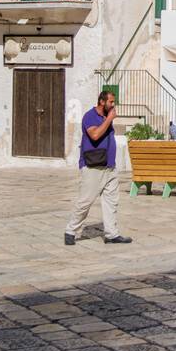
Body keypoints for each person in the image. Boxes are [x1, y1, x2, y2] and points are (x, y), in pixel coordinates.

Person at [65, 90, 131, 245]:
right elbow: (95, 135)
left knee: (111, 201)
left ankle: (111, 234)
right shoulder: (90, 116)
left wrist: (107, 119)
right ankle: (70, 230)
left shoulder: (104, 117)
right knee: (85, 201)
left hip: (109, 167)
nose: (113, 105)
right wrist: (109, 119)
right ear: (102, 101)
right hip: (93, 167)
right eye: (111, 102)